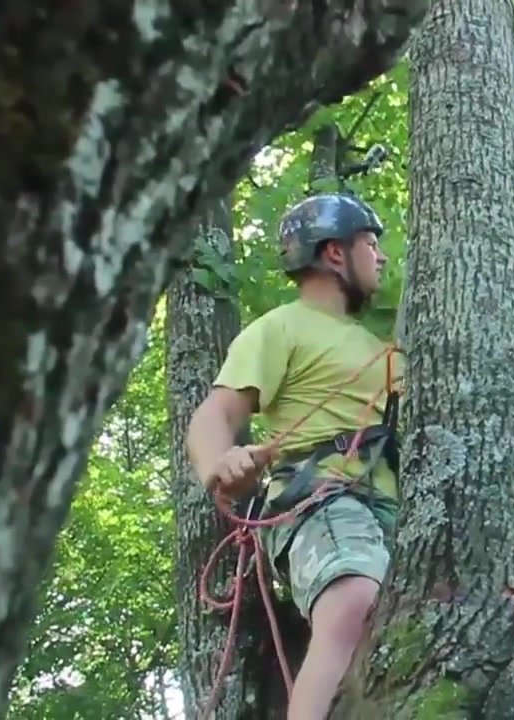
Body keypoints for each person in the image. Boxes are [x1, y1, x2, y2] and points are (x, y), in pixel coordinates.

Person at [185, 191, 401, 720]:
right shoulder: (282, 327)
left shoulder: (386, 350)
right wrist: (219, 464)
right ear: (335, 252)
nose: (381, 256)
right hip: (321, 501)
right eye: (370, 244)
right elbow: (215, 414)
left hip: (395, 514)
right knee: (352, 600)